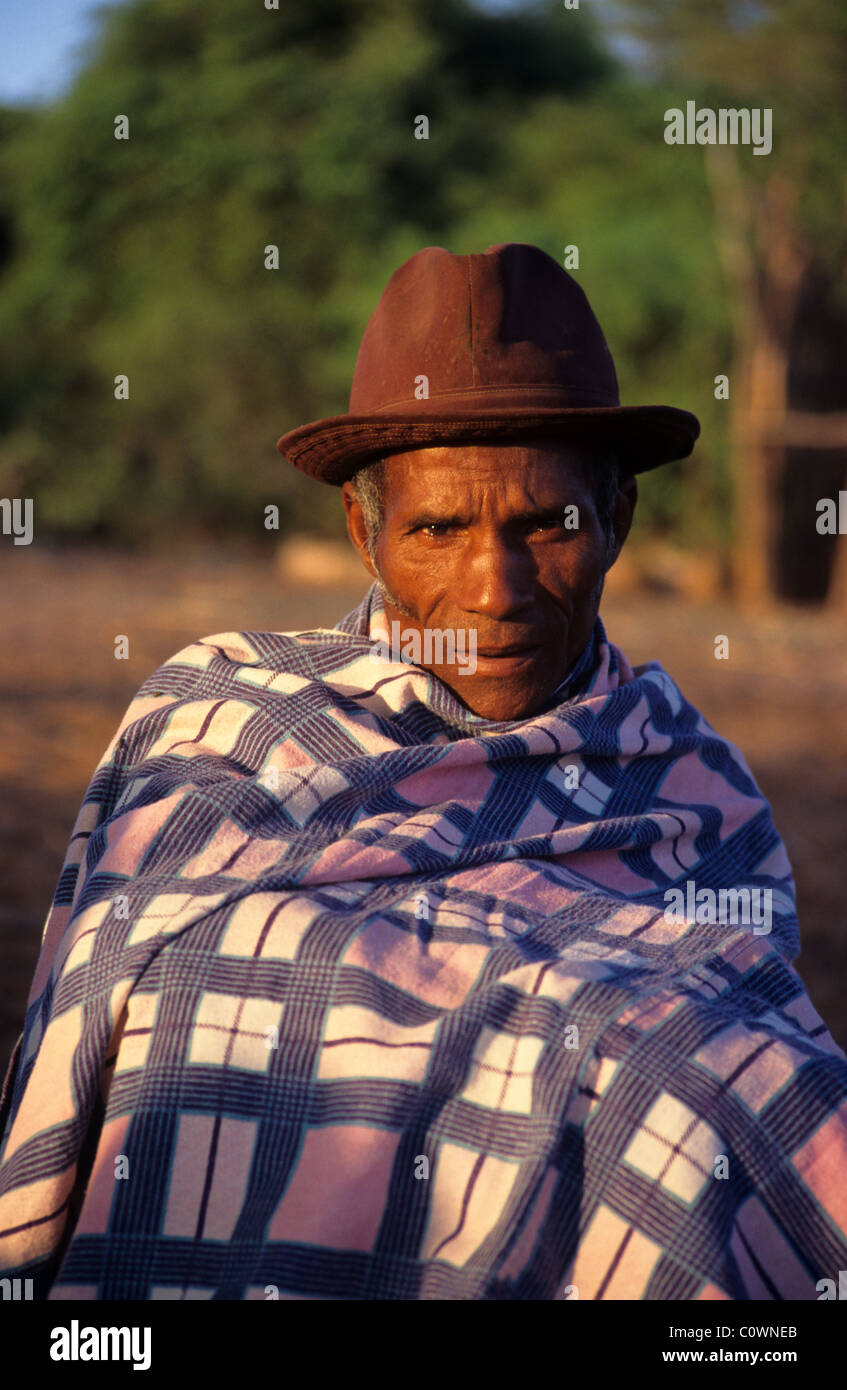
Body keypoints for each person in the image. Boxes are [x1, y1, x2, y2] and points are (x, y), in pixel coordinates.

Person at [1, 244, 845, 1301]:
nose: (495, 589)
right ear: (365, 532)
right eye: (439, 529)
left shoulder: (697, 801)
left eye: (548, 524)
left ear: (618, 519)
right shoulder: (221, 722)